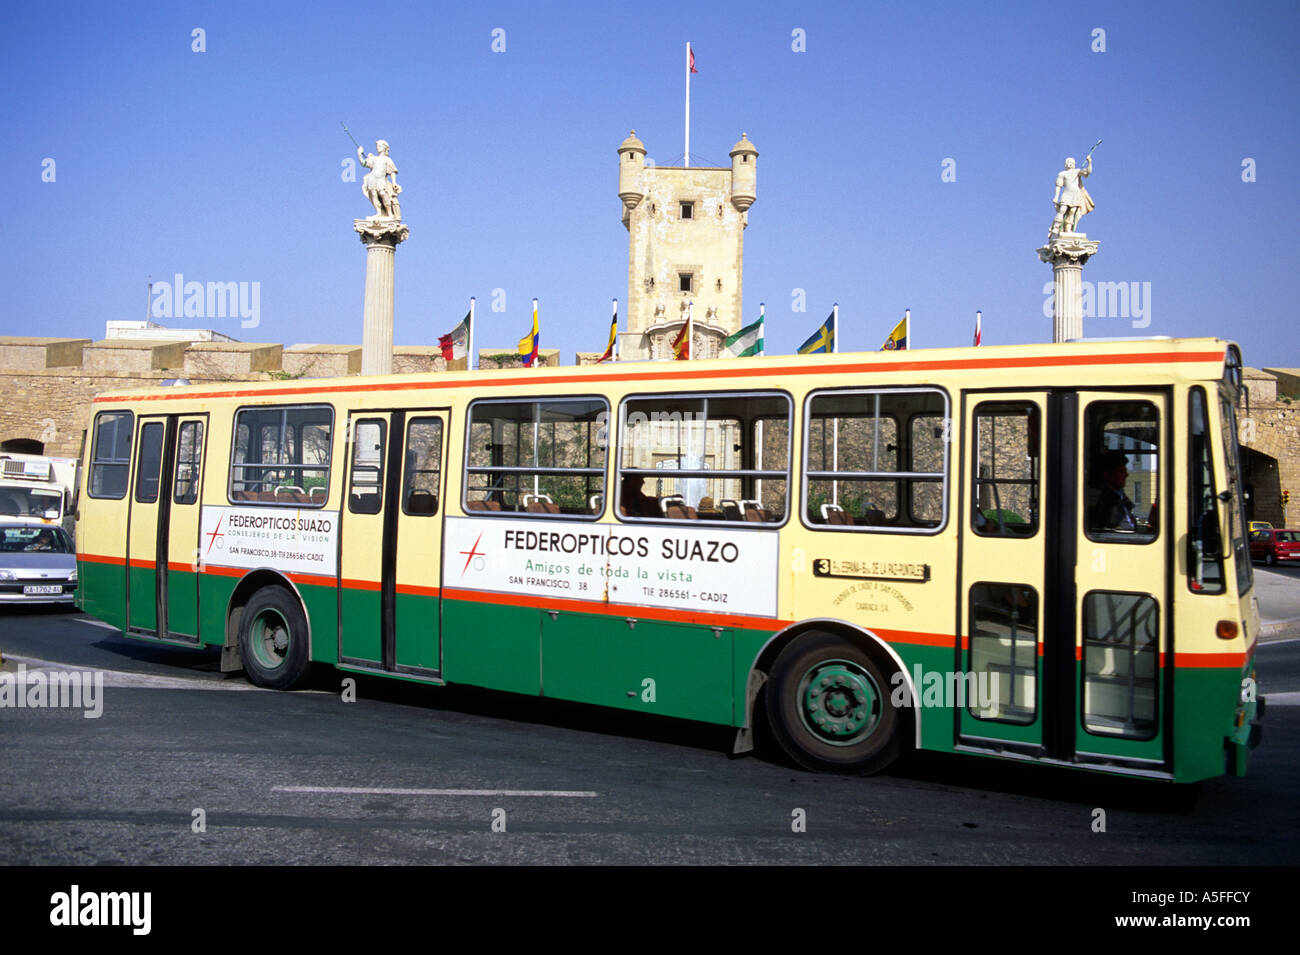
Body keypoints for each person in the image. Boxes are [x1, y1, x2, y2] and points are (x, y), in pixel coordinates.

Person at [1090, 450, 1137, 532]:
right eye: (1121, 471)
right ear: (1107, 474)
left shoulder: (1120, 495)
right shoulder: (1102, 498)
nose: (1126, 475)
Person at [1050, 155, 1094, 236]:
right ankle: (1056, 228)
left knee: (1072, 212)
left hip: (1076, 194)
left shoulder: (1077, 172)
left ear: (1074, 164)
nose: (1069, 164)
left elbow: (1088, 172)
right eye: (1068, 162)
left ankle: (1068, 229)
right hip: (1066, 194)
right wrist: (1056, 197)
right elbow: (1058, 186)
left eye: (1071, 162)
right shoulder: (1062, 174)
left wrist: (1089, 162)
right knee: (1062, 210)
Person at [358, 139, 402, 219]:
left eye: (380, 146)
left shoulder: (387, 159)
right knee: (374, 195)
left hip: (381, 179)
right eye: (377, 146)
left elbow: (392, 171)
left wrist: (394, 182)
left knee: (383, 193)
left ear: (384, 148)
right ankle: (379, 212)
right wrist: (359, 154)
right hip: (372, 179)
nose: (378, 148)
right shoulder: (374, 159)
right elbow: (364, 163)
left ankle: (389, 213)